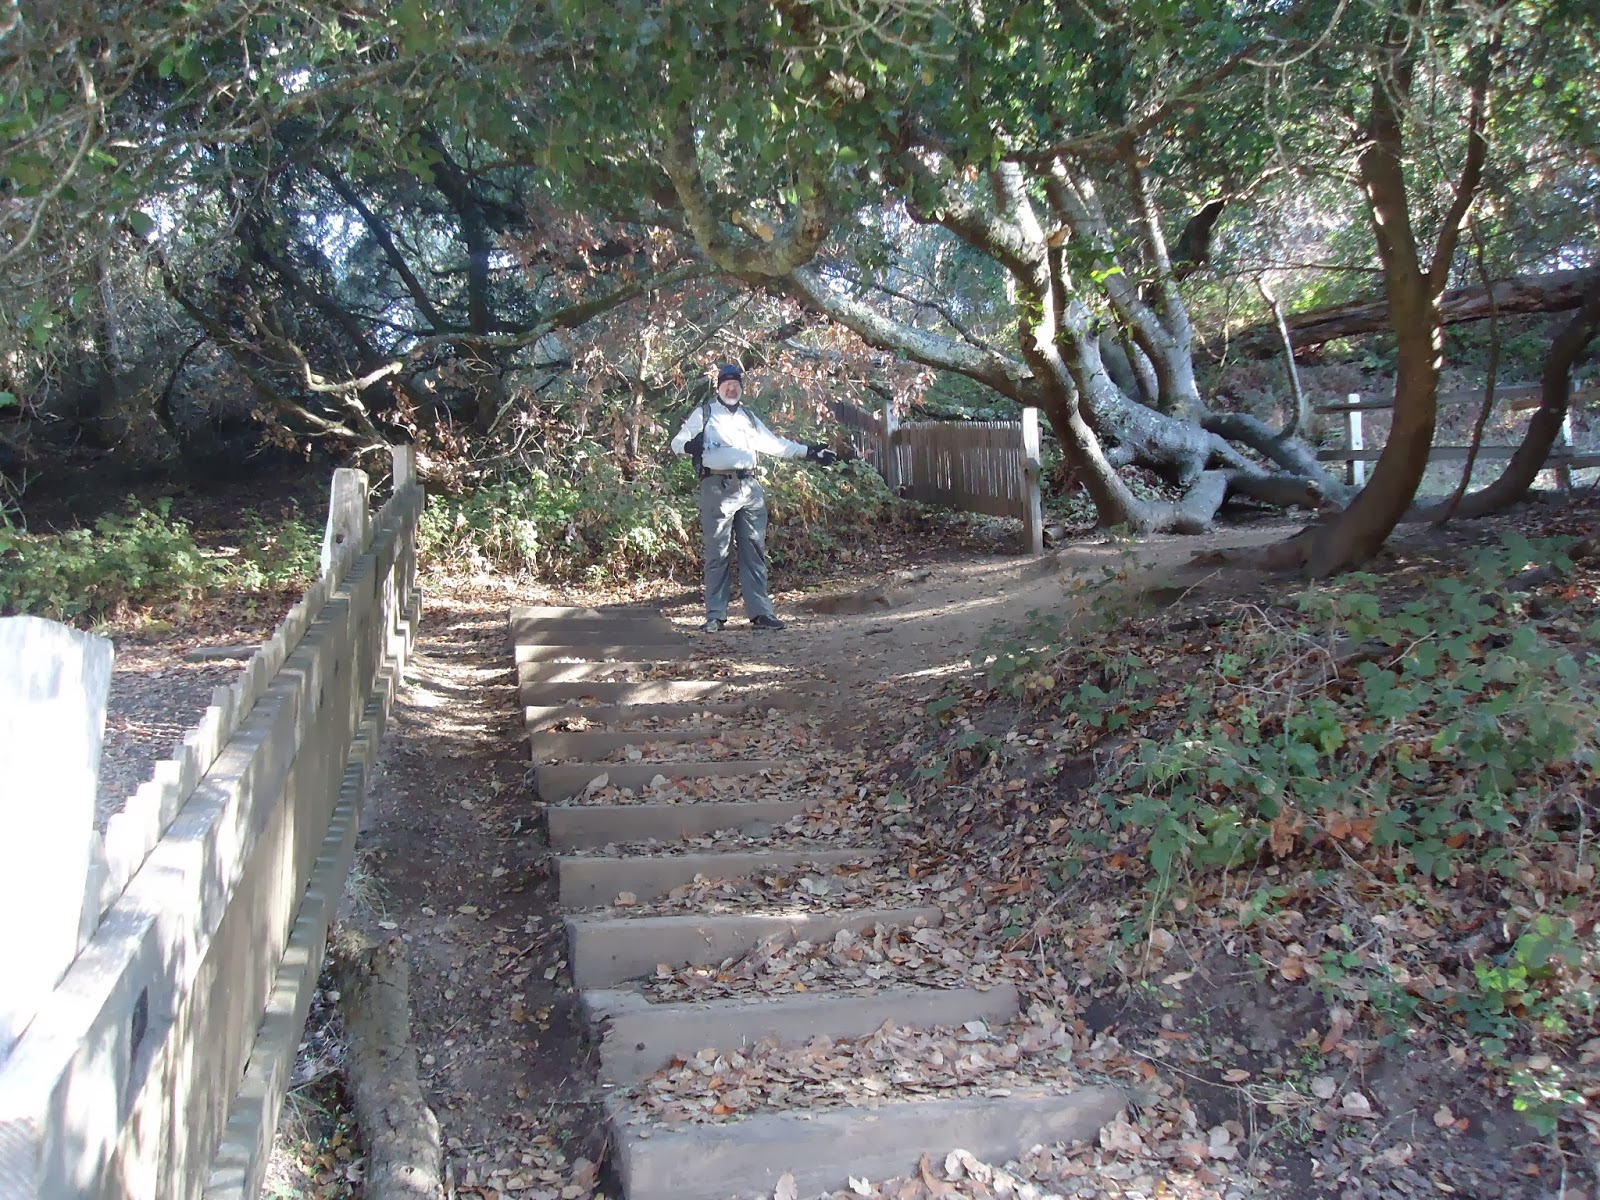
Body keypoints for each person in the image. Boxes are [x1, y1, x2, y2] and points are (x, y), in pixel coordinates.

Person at [670, 362, 836, 632]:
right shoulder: (705, 414)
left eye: (736, 383)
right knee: (717, 553)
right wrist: (690, 445)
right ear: (718, 387)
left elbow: (775, 444)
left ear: (741, 388)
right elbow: (677, 442)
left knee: (754, 550)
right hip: (716, 487)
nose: (731, 388)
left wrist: (810, 452)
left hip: (749, 486)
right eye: (726, 383)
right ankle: (715, 615)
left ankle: (761, 614)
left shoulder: (748, 417)